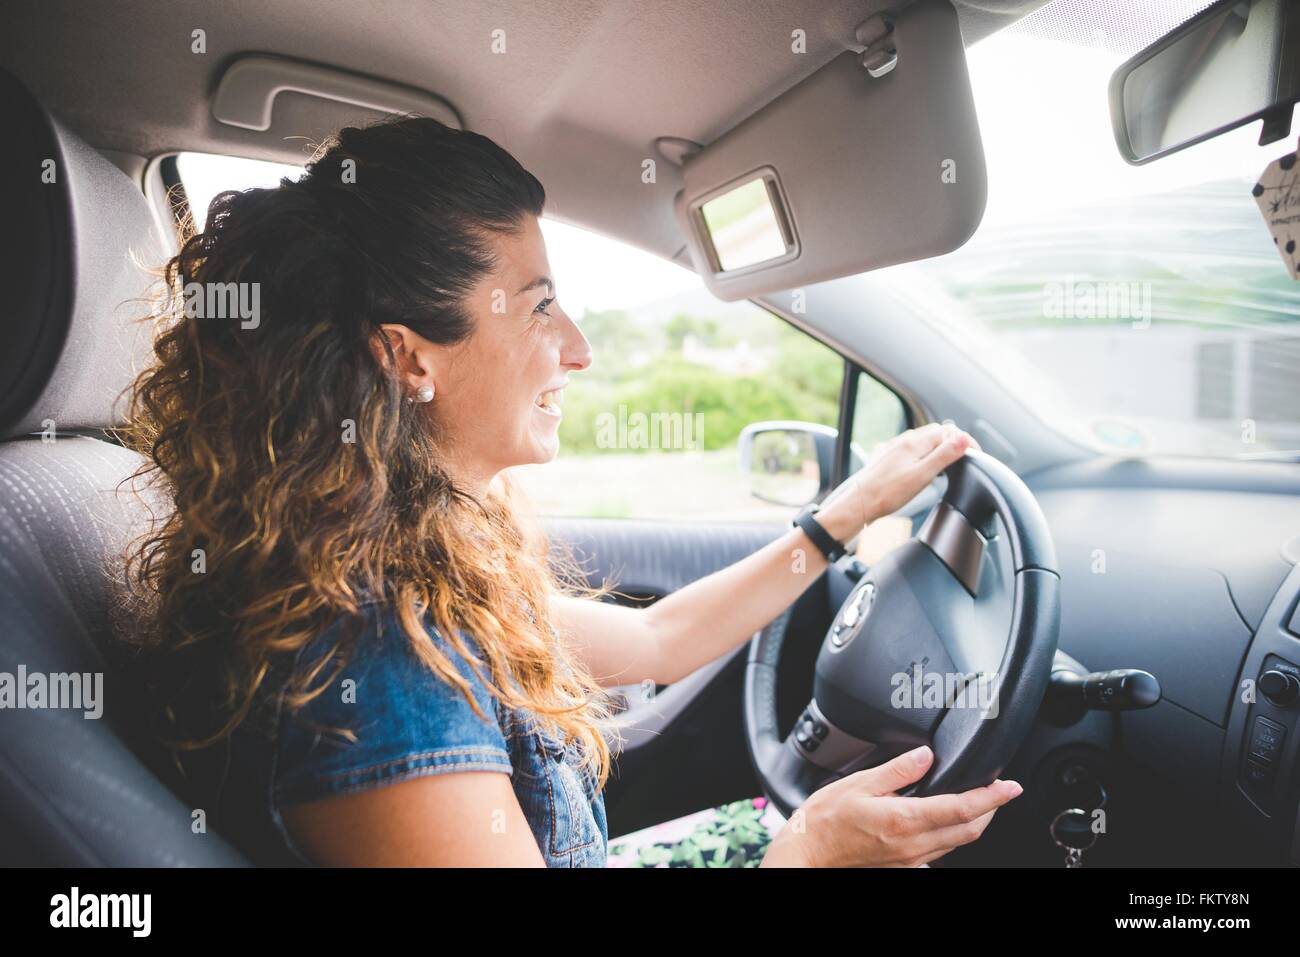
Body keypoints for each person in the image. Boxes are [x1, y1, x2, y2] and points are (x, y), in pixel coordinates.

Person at [117, 115, 1021, 868]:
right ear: (407, 356)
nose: (580, 348)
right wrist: (807, 857)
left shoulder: (408, 567)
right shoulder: (375, 654)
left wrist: (844, 516)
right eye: (539, 305)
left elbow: (660, 637)